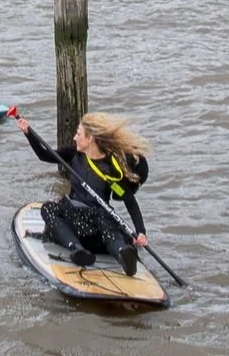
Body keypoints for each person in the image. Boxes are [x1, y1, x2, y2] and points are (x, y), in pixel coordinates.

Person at [12, 108, 151, 276]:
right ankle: (79, 251)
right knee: (49, 209)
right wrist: (28, 133)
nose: (74, 138)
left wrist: (141, 232)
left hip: (92, 228)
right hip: (80, 227)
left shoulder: (111, 169)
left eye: (78, 134)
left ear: (90, 138)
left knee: (104, 224)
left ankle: (123, 254)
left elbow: (129, 201)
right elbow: (44, 155)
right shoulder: (73, 155)